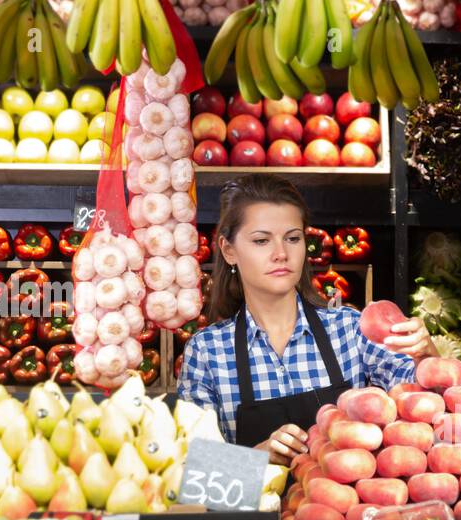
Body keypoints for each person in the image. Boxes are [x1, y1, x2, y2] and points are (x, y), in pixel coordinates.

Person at [178, 175, 434, 461]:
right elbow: (193, 475)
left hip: (344, 504)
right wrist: (258, 460)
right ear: (229, 250)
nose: (281, 254)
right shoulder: (206, 351)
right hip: (258, 506)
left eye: (293, 238)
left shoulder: (350, 330)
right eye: (262, 241)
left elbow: (429, 406)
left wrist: (426, 354)